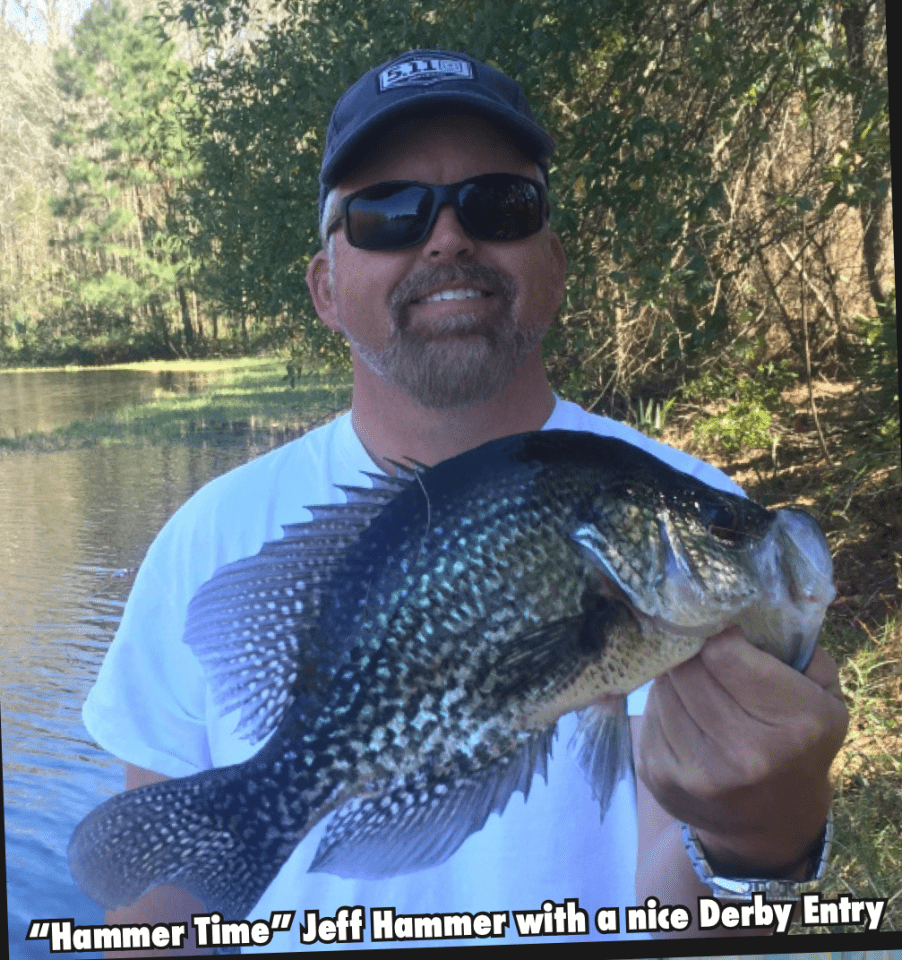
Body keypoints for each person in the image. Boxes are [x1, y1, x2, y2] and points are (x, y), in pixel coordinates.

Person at [82, 50, 848, 953]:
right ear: (325, 287)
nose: (446, 239)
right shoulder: (209, 538)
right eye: (388, 213)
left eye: (498, 204)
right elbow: (156, 920)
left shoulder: (702, 523)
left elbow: (684, 914)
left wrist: (757, 846)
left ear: (553, 261)